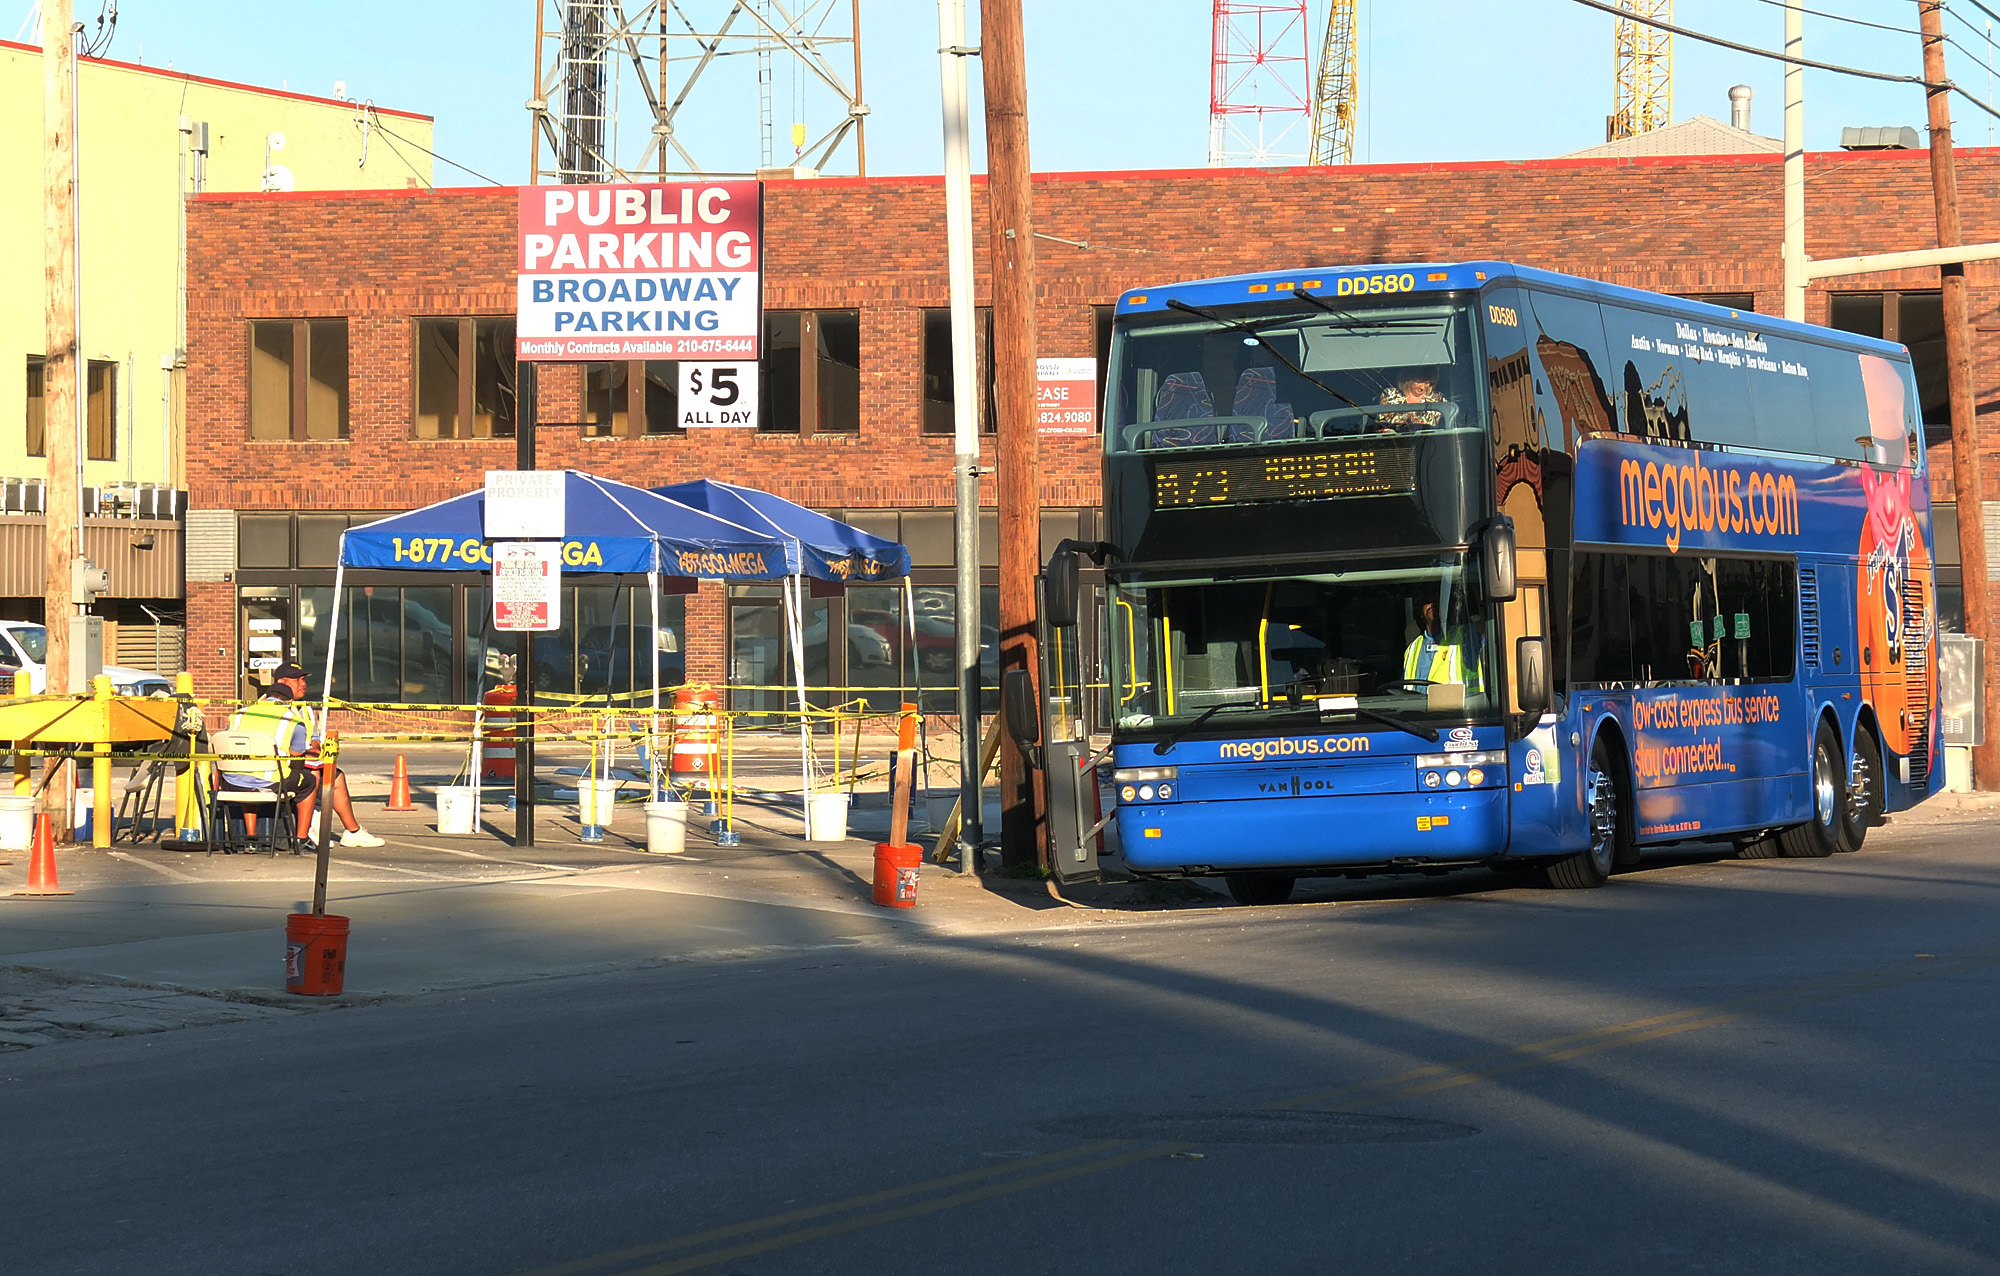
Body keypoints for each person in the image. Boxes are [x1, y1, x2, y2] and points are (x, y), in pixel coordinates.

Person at [226, 663, 383, 849]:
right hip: (274, 774)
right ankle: (304, 834)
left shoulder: (303, 709)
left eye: (303, 679)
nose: (303, 684)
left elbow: (314, 742)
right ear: (281, 683)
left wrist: (315, 752)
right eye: (297, 680)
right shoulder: (278, 713)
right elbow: (297, 754)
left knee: (335, 776)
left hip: (233, 777)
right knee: (310, 777)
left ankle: (353, 832)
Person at [1401, 599, 1483, 693]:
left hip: (1455, 705)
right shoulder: (1412, 649)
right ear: (1421, 612)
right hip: (1415, 706)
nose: (1432, 604)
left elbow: (1482, 624)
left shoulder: (1464, 636)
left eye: (1437, 599)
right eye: (1427, 601)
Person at [1377, 371, 1447, 430]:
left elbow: (1447, 428)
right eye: (1419, 382)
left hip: (1429, 443)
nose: (1422, 387)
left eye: (1427, 383)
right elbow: (1381, 426)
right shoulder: (1390, 395)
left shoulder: (1437, 399)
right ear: (1408, 380)